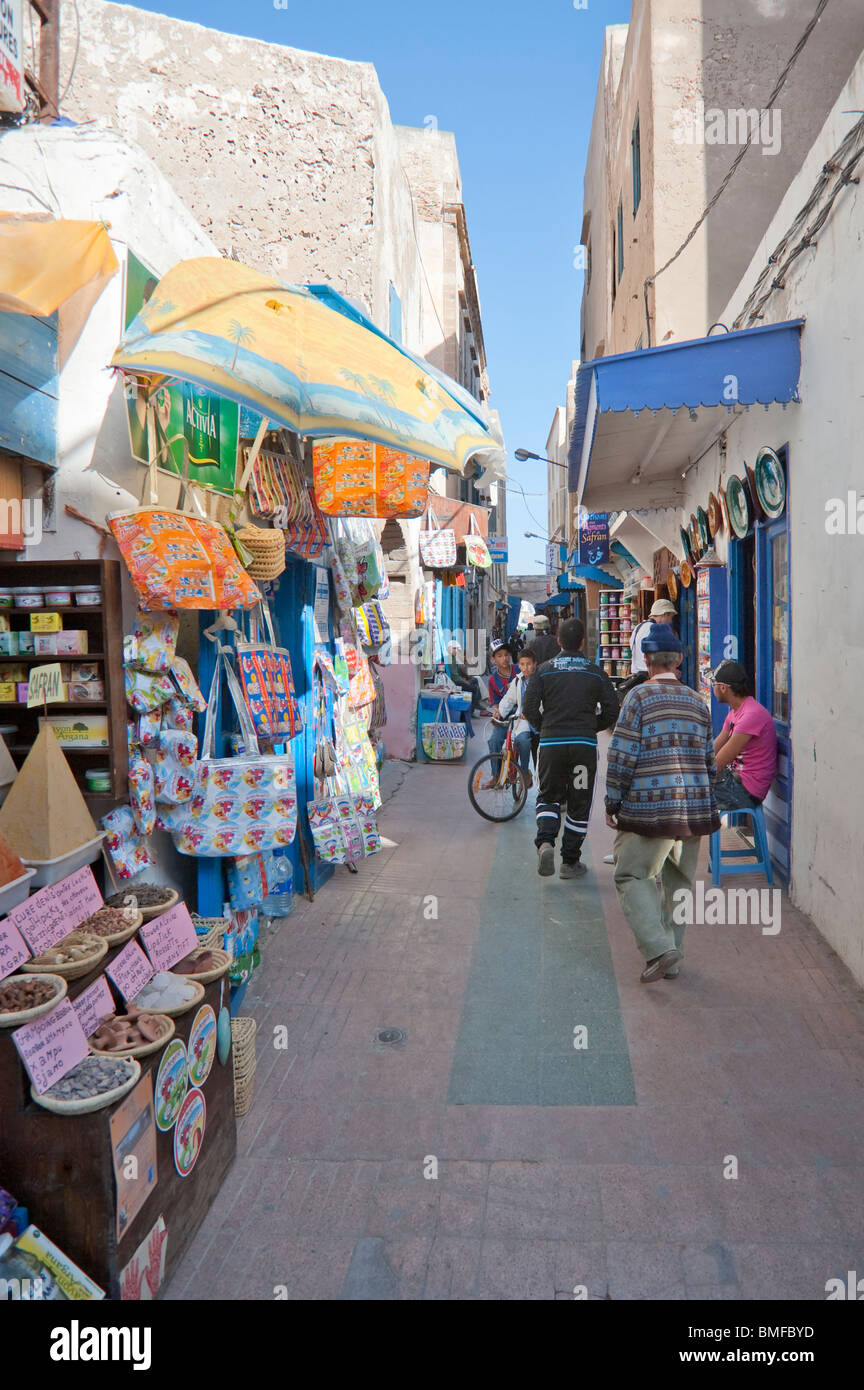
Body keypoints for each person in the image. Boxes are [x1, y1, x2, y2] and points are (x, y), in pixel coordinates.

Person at [605, 624, 720, 983]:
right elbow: (709, 762)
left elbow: (621, 755)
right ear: (681, 661)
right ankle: (675, 959)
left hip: (649, 811)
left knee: (631, 874)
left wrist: (613, 801)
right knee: (679, 883)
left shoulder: (637, 698)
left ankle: (658, 948)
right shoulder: (697, 702)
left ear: (647, 661)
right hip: (693, 812)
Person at [522, 617, 619, 879]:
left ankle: (545, 842)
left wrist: (546, 728)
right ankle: (570, 862)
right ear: (583, 643)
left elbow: (528, 708)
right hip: (583, 747)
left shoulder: (543, 670)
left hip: (552, 745)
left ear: (558, 641)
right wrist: (591, 727)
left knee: (549, 796)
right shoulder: (595, 672)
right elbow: (612, 710)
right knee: (579, 802)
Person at [711, 660, 778, 813]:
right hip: (735, 780)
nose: (712, 687)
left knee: (691, 796)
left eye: (713, 683)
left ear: (723, 688)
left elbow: (719, 762)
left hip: (747, 791)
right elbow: (715, 747)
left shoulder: (751, 715)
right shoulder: (735, 712)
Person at [496, 648, 540, 785]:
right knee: (522, 741)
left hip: (540, 722)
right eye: (522, 664)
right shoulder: (518, 681)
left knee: (542, 755)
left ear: (535, 664)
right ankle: (525, 771)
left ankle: (541, 781)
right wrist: (500, 712)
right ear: (518, 665)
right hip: (524, 723)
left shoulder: (541, 680)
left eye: (528, 664)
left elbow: (546, 702)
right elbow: (509, 699)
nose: (525, 668)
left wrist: (533, 713)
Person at [623, 599, 678, 689]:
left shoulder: (639, 627)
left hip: (636, 677)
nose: (670, 621)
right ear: (665, 614)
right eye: (671, 617)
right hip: (649, 677)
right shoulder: (654, 629)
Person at [446, 641, 485, 714]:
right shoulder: (450, 659)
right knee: (473, 688)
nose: (456, 651)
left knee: (475, 681)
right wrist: (464, 681)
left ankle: (475, 705)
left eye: (456, 649)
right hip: (456, 683)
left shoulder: (453, 658)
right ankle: (472, 709)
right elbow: (455, 677)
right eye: (454, 648)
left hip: (458, 680)